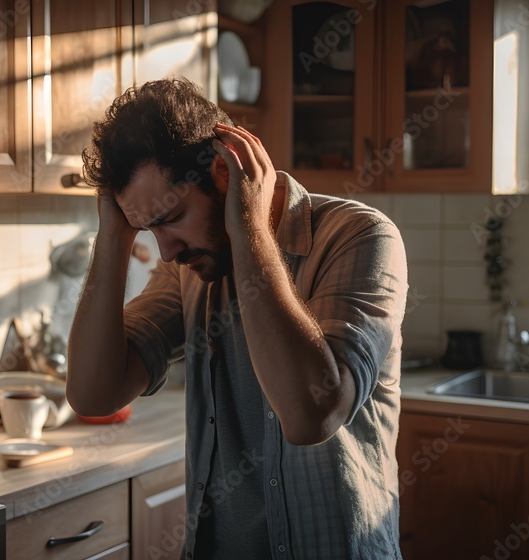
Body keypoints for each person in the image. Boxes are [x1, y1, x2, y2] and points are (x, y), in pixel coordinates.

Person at [66, 78, 407, 559]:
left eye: (170, 217)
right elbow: (93, 394)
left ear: (224, 173)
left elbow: (312, 416)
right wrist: (114, 236)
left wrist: (247, 226)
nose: (165, 251)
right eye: (149, 228)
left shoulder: (359, 236)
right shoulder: (190, 270)